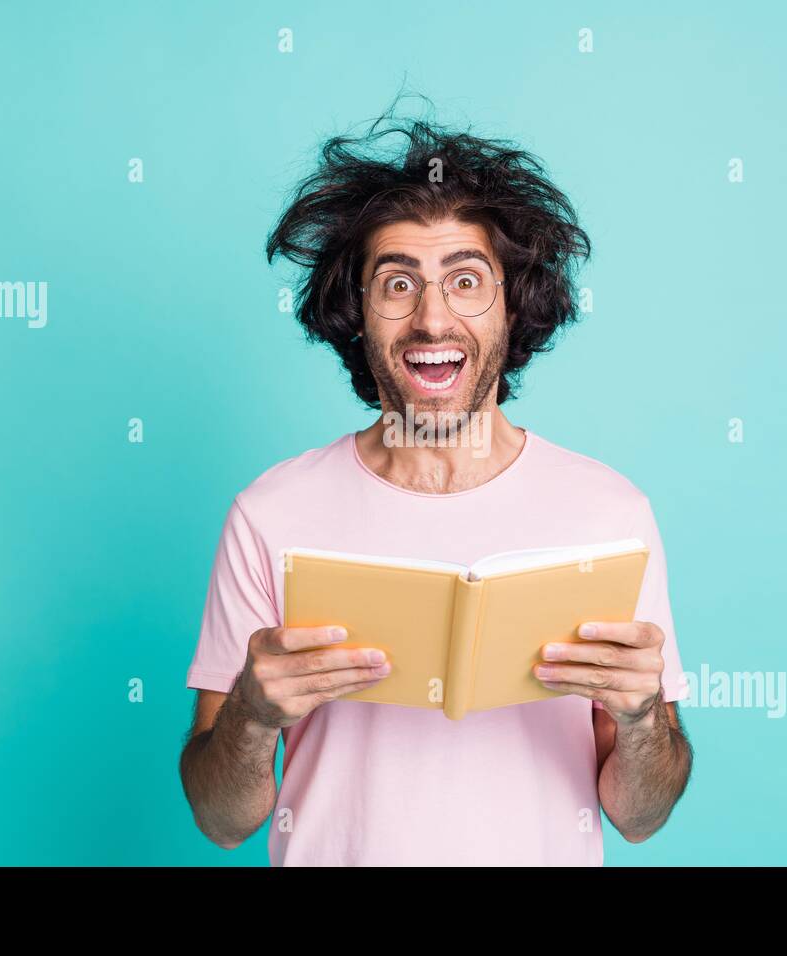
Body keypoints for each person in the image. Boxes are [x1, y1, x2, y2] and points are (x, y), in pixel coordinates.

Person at [179, 106, 693, 865]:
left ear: (512, 306)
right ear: (356, 312)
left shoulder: (610, 514)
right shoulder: (269, 514)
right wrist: (251, 717)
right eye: (397, 284)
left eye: (465, 281)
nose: (431, 319)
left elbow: (640, 818)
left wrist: (645, 719)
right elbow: (221, 822)